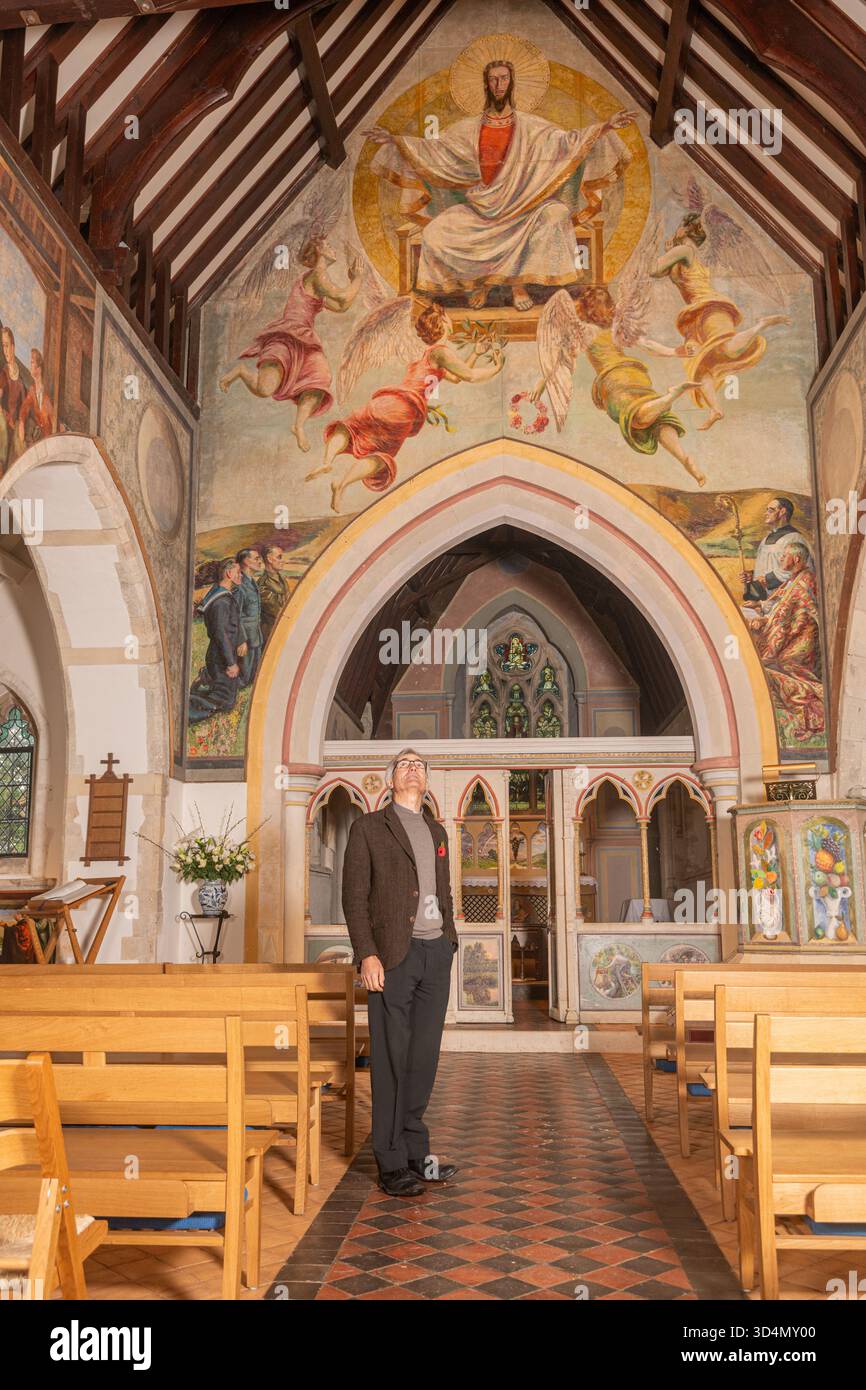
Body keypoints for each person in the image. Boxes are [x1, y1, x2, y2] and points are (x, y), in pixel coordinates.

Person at [365, 60, 635, 311]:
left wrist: (604, 128)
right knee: (435, 232)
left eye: (503, 79)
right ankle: (483, 281)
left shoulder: (531, 127)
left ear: (512, 82)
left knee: (556, 215)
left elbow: (568, 142)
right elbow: (435, 151)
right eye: (493, 80)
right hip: (482, 211)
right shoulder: (468, 129)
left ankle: (516, 286)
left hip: (525, 209)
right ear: (485, 84)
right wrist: (395, 141)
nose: (498, 85)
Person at [342, 749, 459, 1197]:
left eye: (420, 765)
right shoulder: (369, 828)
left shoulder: (437, 831)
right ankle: (390, 1161)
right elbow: (355, 897)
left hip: (435, 955)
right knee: (391, 1059)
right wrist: (366, 955)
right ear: (390, 780)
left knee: (423, 1058)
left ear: (426, 782)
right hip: (393, 955)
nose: (413, 768)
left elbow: (441, 892)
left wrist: (448, 940)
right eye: (404, 764)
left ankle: (416, 1155)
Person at [307, 302, 503, 512]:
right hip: (403, 412)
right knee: (382, 456)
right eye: (447, 317)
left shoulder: (427, 356)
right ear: (443, 323)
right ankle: (343, 483)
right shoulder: (441, 352)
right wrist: (496, 367)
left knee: (350, 427)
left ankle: (327, 460)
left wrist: (475, 353)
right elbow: (470, 376)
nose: (450, 319)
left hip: (386, 403)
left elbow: (456, 377)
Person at [219, 235, 361, 451]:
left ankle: (299, 425)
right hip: (287, 336)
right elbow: (342, 297)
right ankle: (241, 371)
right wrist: (358, 279)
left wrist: (353, 282)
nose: (333, 249)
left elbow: (341, 307)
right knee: (264, 389)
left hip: (304, 340)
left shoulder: (318, 280)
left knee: (319, 378)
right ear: (319, 250)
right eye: (329, 245)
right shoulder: (317, 275)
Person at [747, 540, 824, 742]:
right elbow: (780, 606)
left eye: (784, 555)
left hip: (798, 643)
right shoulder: (795, 578)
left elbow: (793, 615)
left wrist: (764, 624)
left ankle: (812, 718)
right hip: (788, 636)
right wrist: (761, 610)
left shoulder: (805, 580)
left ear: (796, 558)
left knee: (774, 671)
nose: (780, 559)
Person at [188, 558, 245, 724]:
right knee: (225, 702)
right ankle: (191, 704)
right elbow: (221, 634)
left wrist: (241, 641)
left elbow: (233, 624)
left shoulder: (221, 594)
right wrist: (230, 663)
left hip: (222, 653)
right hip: (220, 655)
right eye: (238, 572)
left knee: (228, 697)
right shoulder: (221, 601)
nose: (240, 575)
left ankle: (204, 680)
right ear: (229, 574)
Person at [741, 497, 814, 604]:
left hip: (783, 600)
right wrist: (752, 575)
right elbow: (769, 565)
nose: (765, 514)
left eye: (770, 510)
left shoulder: (794, 538)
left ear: (782, 512)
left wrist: (765, 579)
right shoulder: (766, 539)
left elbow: (794, 571)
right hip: (764, 600)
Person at [234, 547, 264, 687]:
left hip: (255, 637)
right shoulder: (240, 586)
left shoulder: (252, 582)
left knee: (252, 678)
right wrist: (241, 640)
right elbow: (236, 616)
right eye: (256, 558)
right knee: (243, 680)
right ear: (246, 561)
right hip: (245, 639)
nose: (260, 561)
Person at [257, 543, 290, 646]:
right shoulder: (263, 583)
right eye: (279, 557)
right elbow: (278, 611)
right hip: (271, 636)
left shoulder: (282, 579)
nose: (283, 561)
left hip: (283, 631)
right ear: (269, 559)